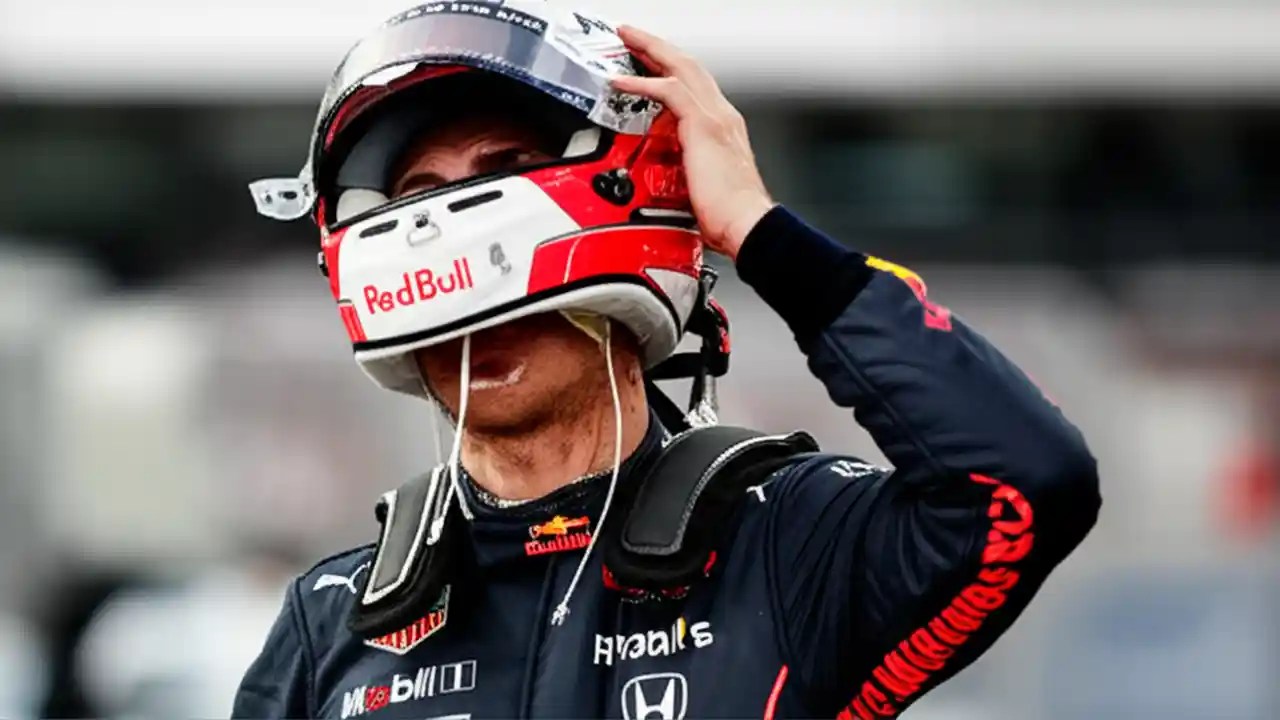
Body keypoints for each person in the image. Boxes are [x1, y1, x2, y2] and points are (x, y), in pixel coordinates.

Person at [234, 2, 1101, 718]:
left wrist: (762, 235)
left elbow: (1026, 480)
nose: (463, 236)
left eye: (508, 168)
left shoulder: (787, 544)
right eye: (419, 194)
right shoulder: (334, 621)